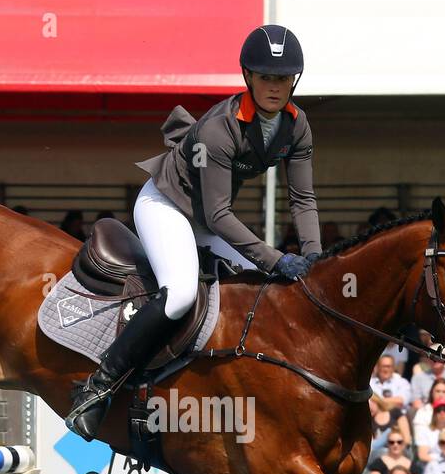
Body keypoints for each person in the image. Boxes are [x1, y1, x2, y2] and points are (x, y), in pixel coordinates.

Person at [68, 25, 321, 438]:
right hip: (166, 206)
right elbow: (221, 216)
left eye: (283, 78)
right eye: (266, 77)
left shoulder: (297, 126)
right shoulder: (219, 129)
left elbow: (303, 200)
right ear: (248, 77)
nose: (275, 87)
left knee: (261, 287)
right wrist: (278, 258)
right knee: (181, 293)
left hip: (205, 215)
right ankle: (97, 388)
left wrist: (314, 258)